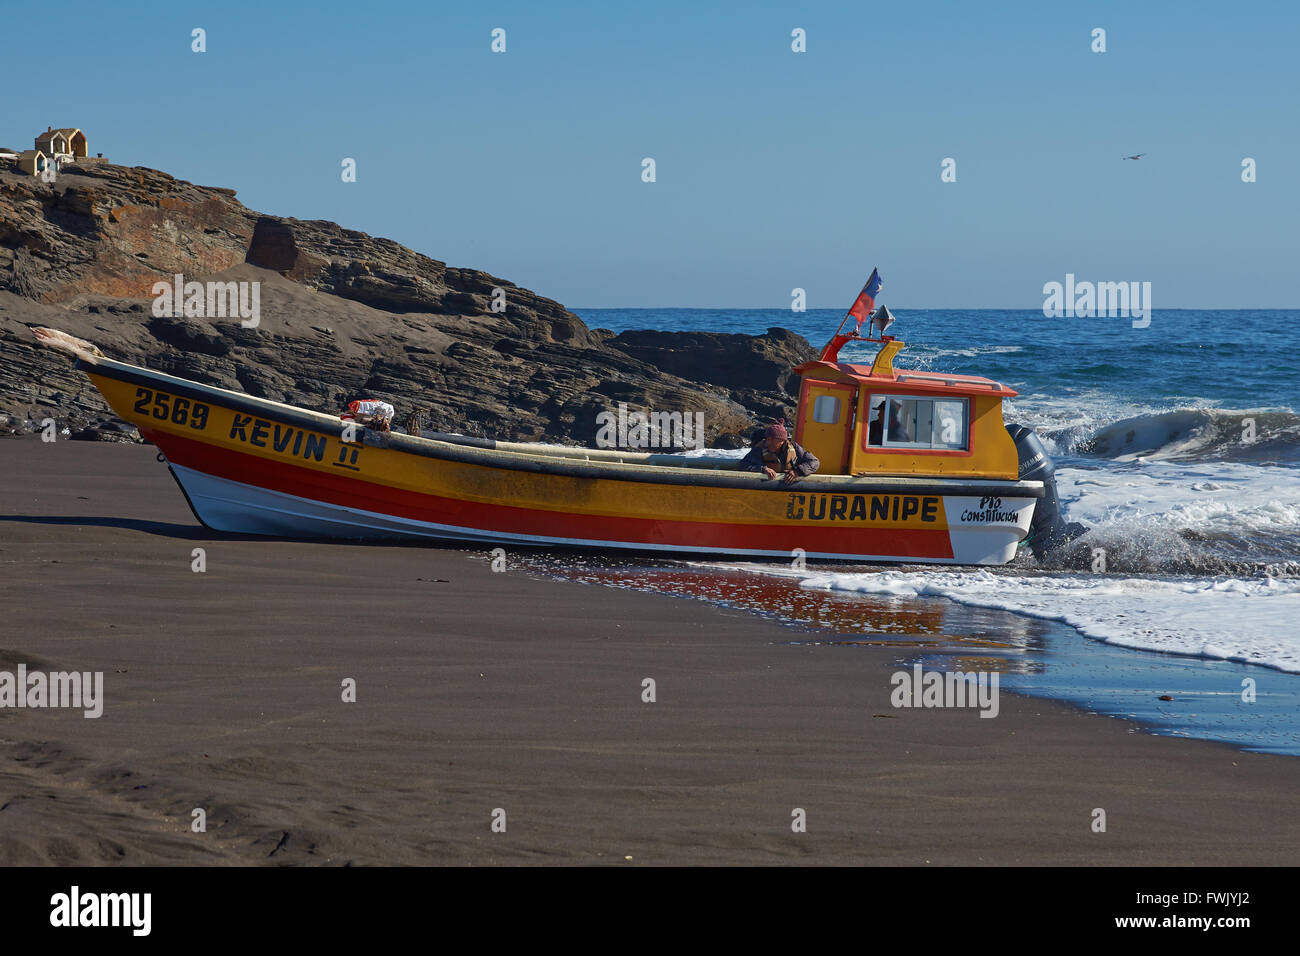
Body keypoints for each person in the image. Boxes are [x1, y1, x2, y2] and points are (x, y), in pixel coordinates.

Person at [738, 420, 819, 484]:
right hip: (765, 487)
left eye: (772, 440)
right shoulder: (759, 448)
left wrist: (797, 471)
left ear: (782, 441)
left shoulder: (795, 447)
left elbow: (814, 462)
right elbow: (743, 465)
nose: (768, 442)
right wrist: (762, 469)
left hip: (788, 488)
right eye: (767, 439)